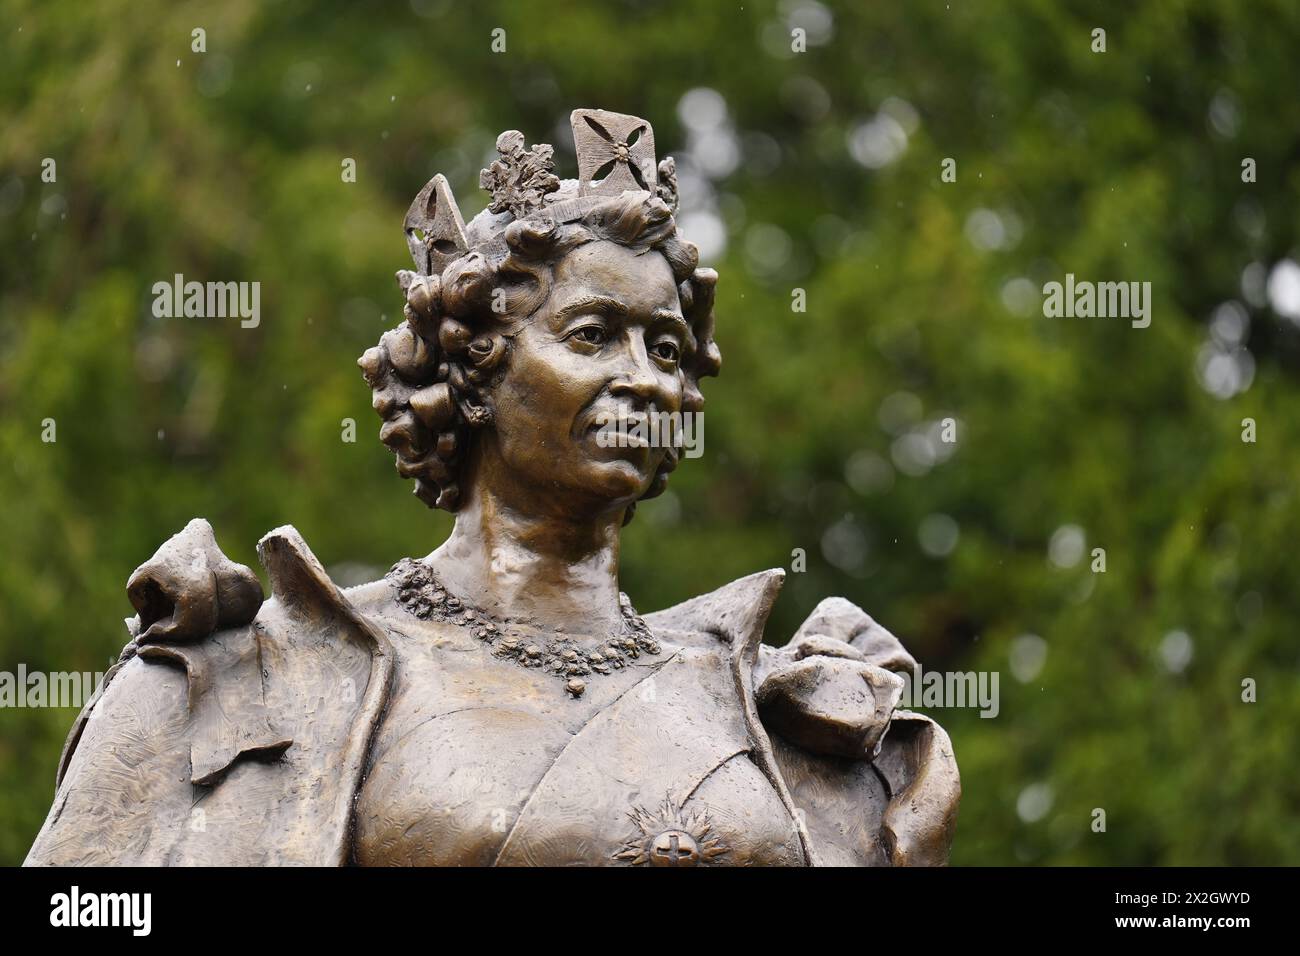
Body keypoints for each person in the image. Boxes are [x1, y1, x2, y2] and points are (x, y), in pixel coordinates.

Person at [26, 110, 959, 867]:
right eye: (594, 334)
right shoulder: (250, 683)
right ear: (474, 372)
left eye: (666, 348)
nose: (647, 377)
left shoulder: (776, 706)